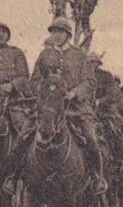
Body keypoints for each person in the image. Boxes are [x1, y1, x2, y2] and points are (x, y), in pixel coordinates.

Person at [30, 17, 106, 186]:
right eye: (53, 32)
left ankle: (97, 177)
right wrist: (44, 94)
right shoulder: (45, 55)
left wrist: (74, 93)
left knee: (90, 138)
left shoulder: (79, 55)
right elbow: (34, 80)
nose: (56, 35)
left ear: (68, 35)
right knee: (24, 134)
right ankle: (15, 178)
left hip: (76, 107)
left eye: (60, 32)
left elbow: (90, 82)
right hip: (49, 107)